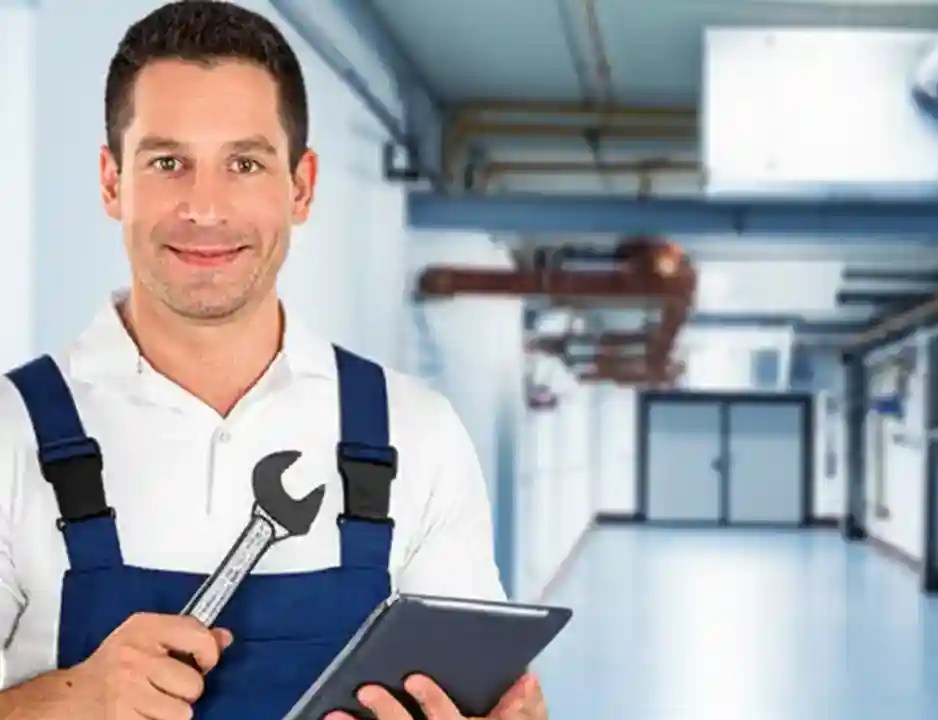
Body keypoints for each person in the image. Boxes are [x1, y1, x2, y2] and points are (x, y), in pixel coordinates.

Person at [0, 1, 548, 718]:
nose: (205, 207)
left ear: (301, 185)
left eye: (245, 163)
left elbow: (488, 697)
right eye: (168, 162)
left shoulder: (417, 433)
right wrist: (69, 699)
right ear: (112, 182)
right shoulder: (12, 434)